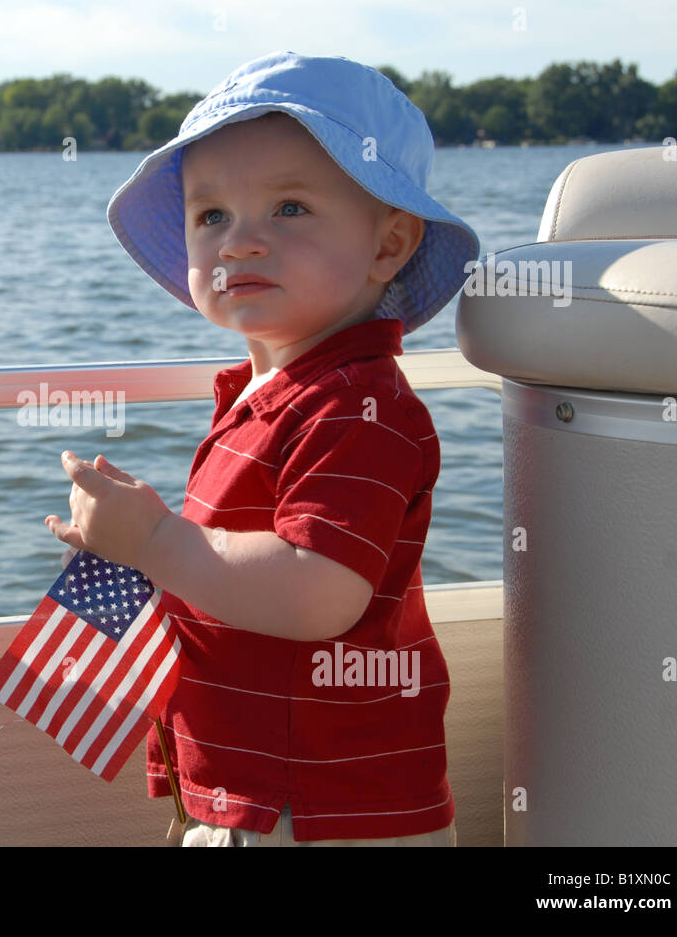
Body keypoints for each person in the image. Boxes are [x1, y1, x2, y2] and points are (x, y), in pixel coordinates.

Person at [43, 50, 481, 846]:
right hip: (259, 790)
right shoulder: (274, 392)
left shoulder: (358, 404)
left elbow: (319, 592)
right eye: (212, 216)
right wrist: (141, 548)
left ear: (389, 246)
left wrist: (159, 541)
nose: (239, 242)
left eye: (288, 209)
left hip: (318, 809)